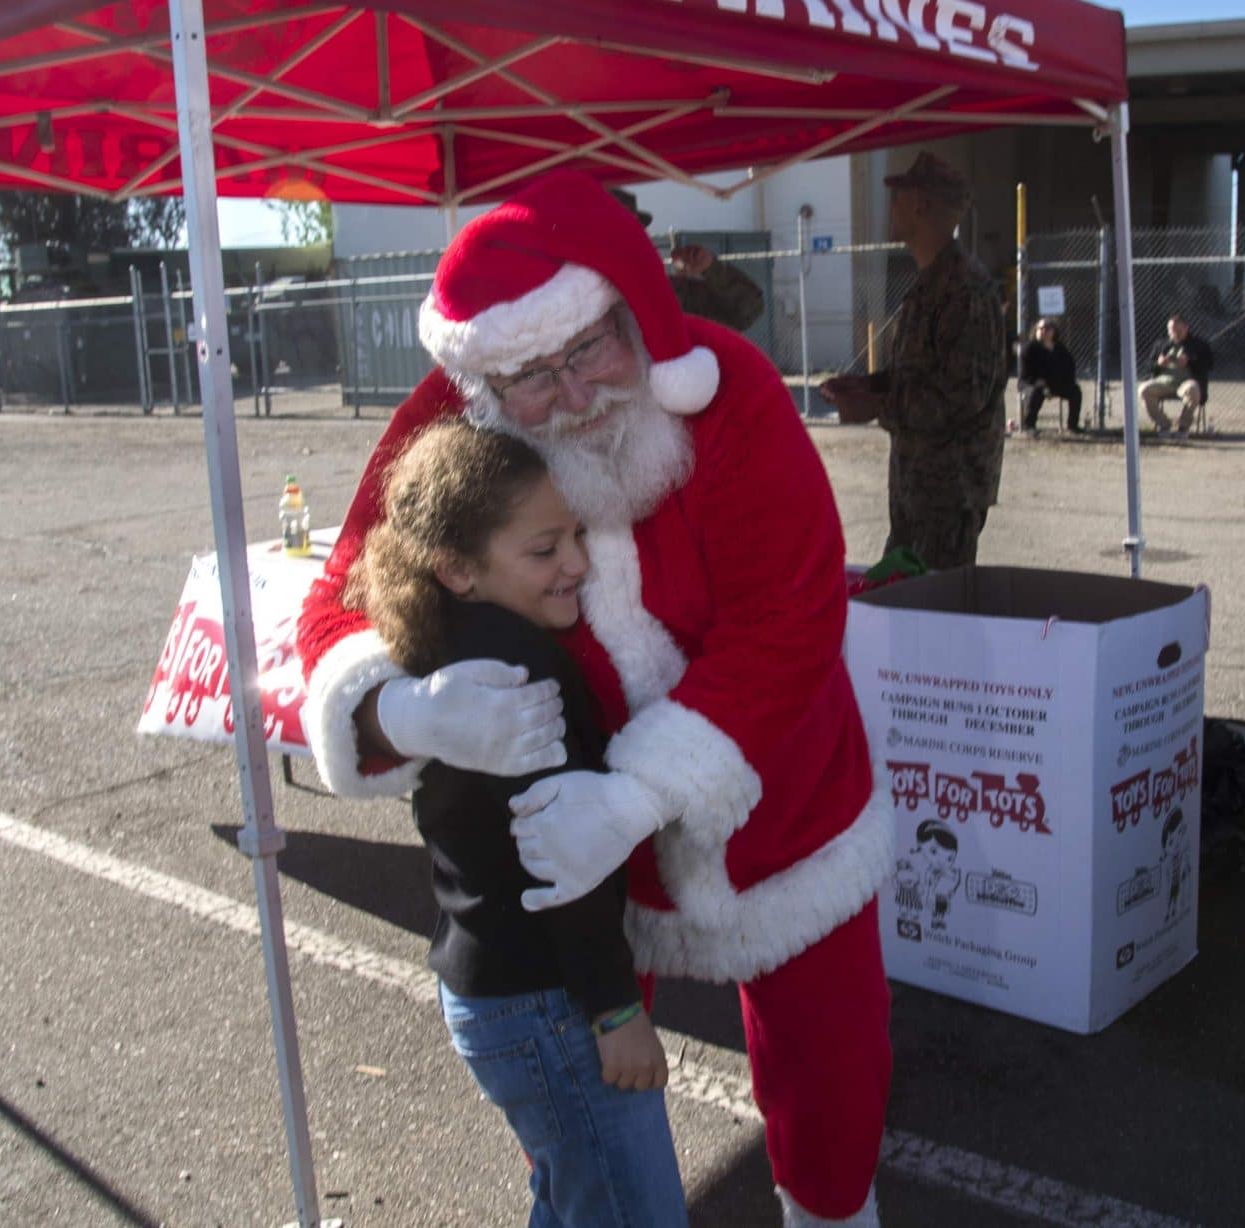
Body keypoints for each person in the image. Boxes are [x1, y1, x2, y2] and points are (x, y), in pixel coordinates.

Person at [296, 169, 893, 1228]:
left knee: (830, 1076)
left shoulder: (728, 388)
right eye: (529, 377)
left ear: (630, 312)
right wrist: (403, 713)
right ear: (483, 381)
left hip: (781, 797)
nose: (569, 395)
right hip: (580, 851)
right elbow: (340, 596)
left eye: (586, 350)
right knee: (587, 1115)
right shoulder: (455, 413)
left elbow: (791, 615)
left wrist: (645, 789)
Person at [343, 419, 687, 1227]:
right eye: (544, 551)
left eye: (576, 536)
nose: (576, 563)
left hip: (498, 992)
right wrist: (613, 1009)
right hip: (547, 1003)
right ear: (458, 568)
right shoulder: (514, 669)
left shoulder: (457, 637)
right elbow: (555, 850)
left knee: (574, 1197)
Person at [818, 152, 1007, 569]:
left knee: (932, 613)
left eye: (899, 199)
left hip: (947, 490)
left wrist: (875, 406)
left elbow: (961, 397)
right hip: (919, 483)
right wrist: (871, 385)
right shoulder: (934, 282)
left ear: (921, 205)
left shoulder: (965, 289)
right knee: (903, 597)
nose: (893, 209)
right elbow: (921, 375)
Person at [611, 187, 765, 332]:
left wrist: (711, 268)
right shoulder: (591, 301)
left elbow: (747, 310)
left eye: (635, 230)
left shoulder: (667, 294)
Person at [1138, 315, 1213, 434]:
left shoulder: (1199, 345)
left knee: (1192, 388)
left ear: (1186, 328)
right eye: (1171, 330)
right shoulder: (1161, 345)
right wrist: (1159, 364)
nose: (1174, 333)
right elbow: (1147, 366)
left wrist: (1190, 361)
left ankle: (1183, 426)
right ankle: (1163, 424)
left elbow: (1209, 364)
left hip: (1186, 382)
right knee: (1143, 390)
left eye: (1178, 330)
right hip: (1164, 383)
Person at [1018, 317, 1081, 435]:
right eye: (1040, 328)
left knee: (1075, 391)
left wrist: (1066, 382)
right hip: (1031, 383)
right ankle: (1029, 426)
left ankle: (1073, 425)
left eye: (1047, 328)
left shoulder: (1060, 349)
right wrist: (1040, 383)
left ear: (1054, 331)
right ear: (1035, 331)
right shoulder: (1029, 348)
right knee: (1036, 392)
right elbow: (1026, 375)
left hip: (1054, 383)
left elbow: (1069, 368)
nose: (1043, 331)